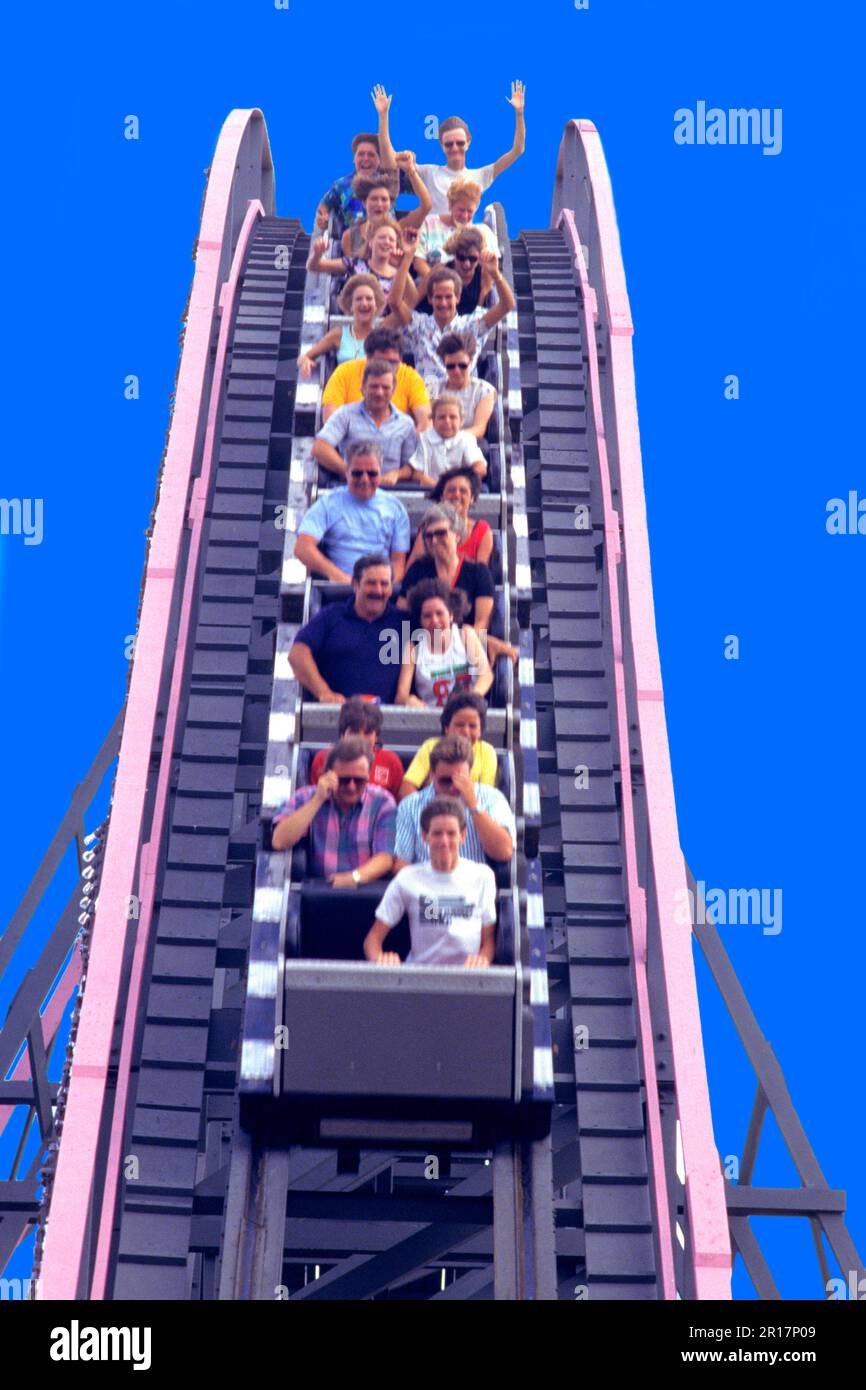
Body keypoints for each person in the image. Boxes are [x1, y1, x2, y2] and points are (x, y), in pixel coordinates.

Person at [364, 797, 496, 967]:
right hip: (420, 978)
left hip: (468, 979)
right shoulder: (407, 878)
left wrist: (482, 961)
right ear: (425, 836)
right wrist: (382, 962)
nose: (444, 841)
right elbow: (372, 941)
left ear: (462, 836)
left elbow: (489, 941)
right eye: (437, 833)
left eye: (451, 833)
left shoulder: (483, 876)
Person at [374, 83, 527, 217]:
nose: (455, 148)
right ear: (442, 145)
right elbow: (390, 162)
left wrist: (519, 114)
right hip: (433, 240)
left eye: (460, 143)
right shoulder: (429, 172)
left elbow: (517, 150)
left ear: (468, 143)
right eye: (449, 144)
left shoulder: (480, 175)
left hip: (464, 242)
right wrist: (383, 116)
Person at [272, 736, 395, 889]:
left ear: (368, 776)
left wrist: (354, 877)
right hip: (318, 891)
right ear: (329, 774)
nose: (351, 787)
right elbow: (279, 841)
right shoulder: (306, 797)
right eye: (344, 780)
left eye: (359, 780)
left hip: (365, 890)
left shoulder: (383, 802)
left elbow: (385, 857)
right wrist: (317, 800)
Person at [288, 553, 405, 704]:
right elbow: (297, 654)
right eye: (371, 583)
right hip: (338, 716)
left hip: (392, 720)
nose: (378, 590)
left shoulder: (403, 621)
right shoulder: (331, 616)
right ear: (355, 584)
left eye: (384, 584)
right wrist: (324, 693)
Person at [387, 255, 515, 387]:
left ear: (457, 298)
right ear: (430, 299)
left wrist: (495, 274)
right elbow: (395, 303)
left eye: (448, 297)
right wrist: (404, 263)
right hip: (428, 399)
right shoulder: (418, 324)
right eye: (438, 297)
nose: (443, 303)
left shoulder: (472, 324)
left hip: (463, 399)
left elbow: (507, 305)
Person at [392, 736, 515, 871]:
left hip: (472, 886)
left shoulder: (492, 798)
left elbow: (504, 852)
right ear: (432, 775)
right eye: (446, 781)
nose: (453, 787)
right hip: (424, 886)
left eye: (459, 780)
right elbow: (401, 862)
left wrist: (474, 806)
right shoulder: (410, 805)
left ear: (469, 773)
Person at [294, 442, 409, 583]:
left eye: (372, 473)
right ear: (346, 472)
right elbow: (303, 548)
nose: (365, 479)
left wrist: (386, 586)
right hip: (341, 588)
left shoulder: (396, 509)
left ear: (380, 473)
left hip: (381, 590)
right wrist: (340, 577)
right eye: (357, 473)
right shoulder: (327, 504)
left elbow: (398, 563)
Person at [312, 361, 419, 484]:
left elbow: (412, 466)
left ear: (393, 390)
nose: (379, 393)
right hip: (352, 488)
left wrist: (397, 474)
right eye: (374, 386)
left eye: (385, 387)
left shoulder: (406, 423)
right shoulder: (345, 414)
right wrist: (350, 472)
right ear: (363, 388)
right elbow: (319, 448)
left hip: (390, 492)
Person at [396, 578, 491, 710]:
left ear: (451, 615)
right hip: (431, 720)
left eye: (440, 613)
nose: (434, 620)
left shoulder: (465, 634)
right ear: (421, 620)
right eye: (427, 616)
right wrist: (409, 701)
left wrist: (470, 699)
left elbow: (486, 675)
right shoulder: (413, 649)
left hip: (469, 713)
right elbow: (401, 696)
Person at [398, 505, 494, 634]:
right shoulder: (416, 571)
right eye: (429, 536)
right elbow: (403, 617)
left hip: (467, 647)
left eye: (441, 533)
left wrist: (452, 645)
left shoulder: (479, 573)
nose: (434, 540)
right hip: (423, 646)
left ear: (457, 536)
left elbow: (481, 625)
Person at [322, 327, 431, 431]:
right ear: (368, 358)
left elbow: (426, 423)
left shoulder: (411, 377)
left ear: (401, 359)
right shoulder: (345, 372)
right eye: (382, 361)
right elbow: (330, 420)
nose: (388, 367)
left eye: (393, 362)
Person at [398, 691, 497, 801]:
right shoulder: (430, 746)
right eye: (459, 725)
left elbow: (486, 796)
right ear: (446, 727)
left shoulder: (488, 752)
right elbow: (407, 787)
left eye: (473, 726)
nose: (466, 731)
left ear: (480, 730)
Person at [340, 151, 431, 258]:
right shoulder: (349, 236)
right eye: (374, 199)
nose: (379, 204)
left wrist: (410, 170)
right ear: (364, 203)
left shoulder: (400, 229)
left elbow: (426, 206)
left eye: (384, 199)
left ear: (391, 204)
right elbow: (350, 270)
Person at [308, 697, 404, 797]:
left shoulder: (391, 761)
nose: (360, 739)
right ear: (342, 734)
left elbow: (397, 806)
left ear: (376, 737)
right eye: (354, 732)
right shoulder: (323, 758)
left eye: (367, 733)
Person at [298, 274, 384, 380]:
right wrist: (305, 362)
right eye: (358, 299)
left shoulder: (384, 337)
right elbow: (304, 357)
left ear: (376, 305)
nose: (364, 304)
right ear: (351, 305)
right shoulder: (338, 335)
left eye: (369, 299)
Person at [308, 221, 411, 301]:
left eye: (391, 240)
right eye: (382, 238)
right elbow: (314, 266)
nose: (387, 242)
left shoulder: (399, 274)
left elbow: (412, 300)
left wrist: (402, 265)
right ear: (371, 242)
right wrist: (317, 253)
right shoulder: (355, 263)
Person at [408, 395, 485, 487]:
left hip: (459, 488)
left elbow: (480, 468)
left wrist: (458, 482)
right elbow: (417, 473)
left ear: (461, 421)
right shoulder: (424, 438)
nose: (447, 421)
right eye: (441, 417)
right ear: (433, 421)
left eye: (453, 417)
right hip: (431, 489)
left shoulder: (467, 439)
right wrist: (438, 487)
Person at [417, 181, 499, 267]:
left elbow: (491, 268)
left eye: (470, 211)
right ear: (450, 205)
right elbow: (418, 262)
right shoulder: (428, 224)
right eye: (461, 210)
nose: (465, 216)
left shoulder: (484, 233)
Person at [414, 232, 493, 317]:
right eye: (461, 257)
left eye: (472, 259)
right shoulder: (439, 270)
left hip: (468, 325)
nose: (467, 264)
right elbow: (414, 300)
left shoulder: (484, 273)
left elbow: (480, 310)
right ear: (454, 255)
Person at [434, 333, 496, 438]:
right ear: (444, 365)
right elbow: (428, 422)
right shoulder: (433, 388)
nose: (457, 371)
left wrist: (451, 438)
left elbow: (479, 429)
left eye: (462, 365)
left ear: (471, 362)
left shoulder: (485, 391)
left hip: (468, 445)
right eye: (451, 366)